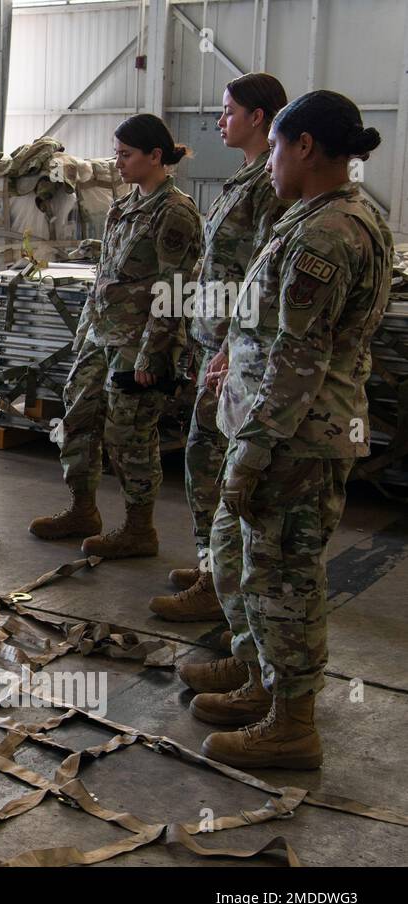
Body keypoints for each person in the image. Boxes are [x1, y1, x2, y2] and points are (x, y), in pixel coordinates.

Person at [189, 91, 391, 770]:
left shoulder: (325, 234)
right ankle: (260, 679)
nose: (268, 161)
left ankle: (291, 723)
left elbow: (298, 363)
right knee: (240, 560)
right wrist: (230, 356)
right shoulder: (321, 216)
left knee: (284, 583)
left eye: (275, 146)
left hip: (295, 440)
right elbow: (276, 330)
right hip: (283, 426)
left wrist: (249, 455)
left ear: (304, 146)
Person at [151, 73, 292, 623]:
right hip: (219, 347)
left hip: (239, 355)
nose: (220, 120)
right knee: (205, 462)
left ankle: (219, 579)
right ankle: (214, 566)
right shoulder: (246, 179)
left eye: (229, 111)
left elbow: (261, 279)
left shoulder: (267, 185)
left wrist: (233, 348)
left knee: (210, 461)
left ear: (258, 117)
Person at [30, 115, 203, 557]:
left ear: (155, 156)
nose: (118, 162)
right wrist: (86, 330)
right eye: (117, 152)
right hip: (102, 336)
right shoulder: (124, 206)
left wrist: (154, 355)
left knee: (129, 433)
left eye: (126, 154)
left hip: (139, 343)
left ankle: (138, 529)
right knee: (79, 420)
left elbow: (175, 289)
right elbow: (105, 275)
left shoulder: (175, 212)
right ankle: (82, 509)